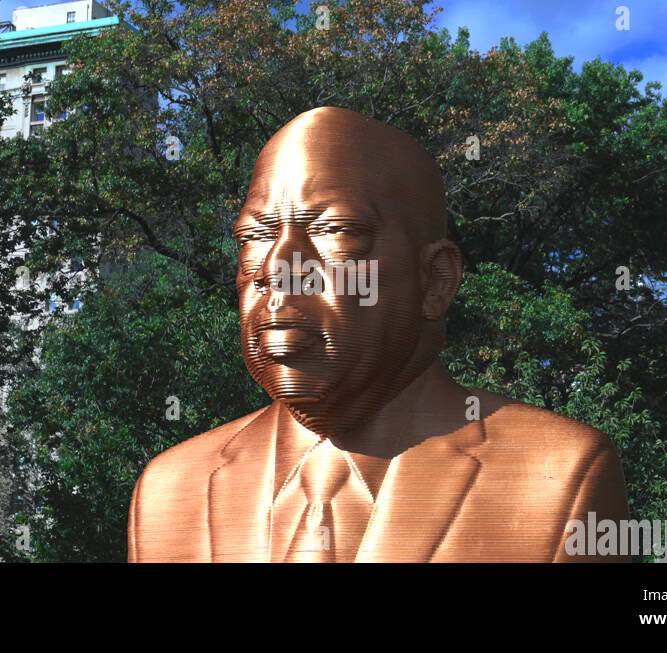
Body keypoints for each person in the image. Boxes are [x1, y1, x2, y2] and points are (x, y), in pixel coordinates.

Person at [128, 107, 629, 562]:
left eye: (334, 229)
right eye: (254, 237)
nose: (279, 267)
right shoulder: (169, 489)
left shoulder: (561, 475)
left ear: (435, 280)